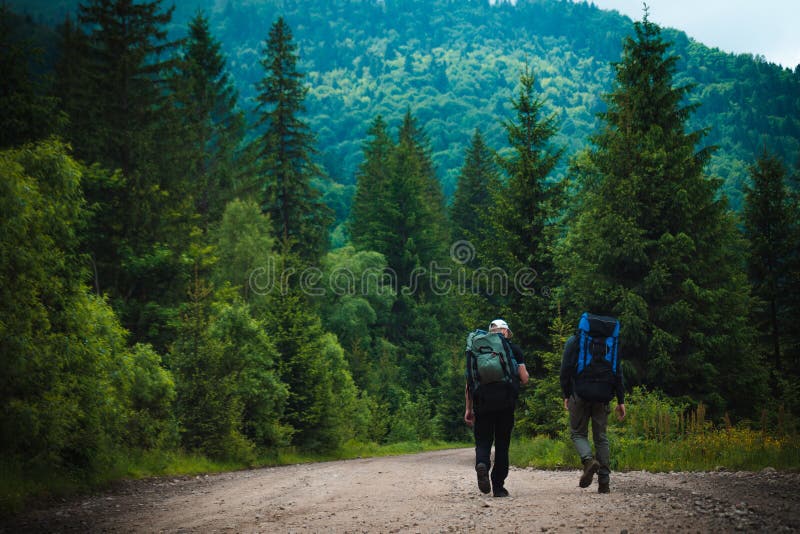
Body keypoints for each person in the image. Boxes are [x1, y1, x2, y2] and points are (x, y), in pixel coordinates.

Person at [464, 319, 529, 497]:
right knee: (502, 444)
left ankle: (482, 463)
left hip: (482, 401)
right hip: (505, 401)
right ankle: (498, 487)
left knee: (483, 440)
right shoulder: (513, 350)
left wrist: (468, 409)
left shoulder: (477, 350)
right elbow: (524, 378)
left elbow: (470, 383)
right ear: (506, 332)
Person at [560, 323, 626, 494]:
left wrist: (567, 394)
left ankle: (588, 461)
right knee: (601, 437)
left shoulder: (575, 341)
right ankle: (604, 482)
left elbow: (565, 369)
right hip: (603, 396)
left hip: (579, 394)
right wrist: (620, 400)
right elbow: (617, 372)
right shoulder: (611, 343)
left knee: (577, 433)